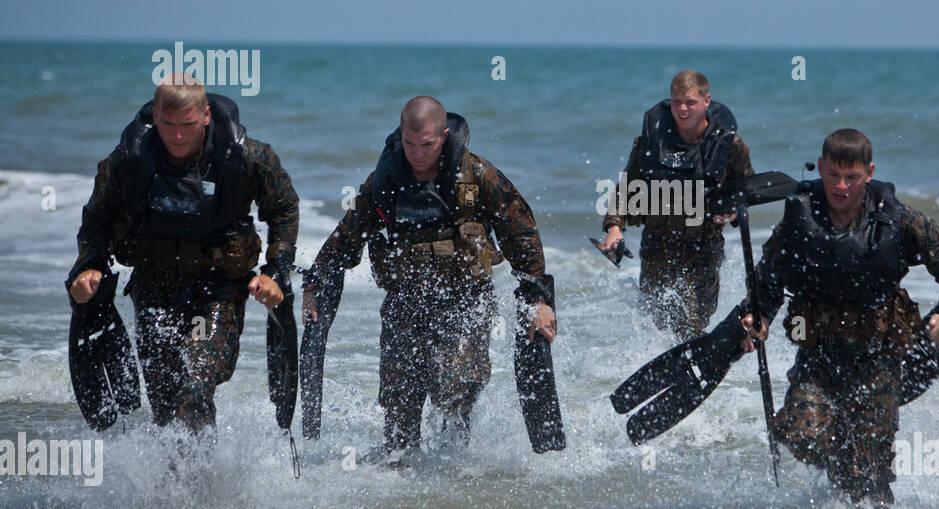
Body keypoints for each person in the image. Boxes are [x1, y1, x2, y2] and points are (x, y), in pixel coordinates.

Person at [302, 96, 556, 457]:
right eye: (409, 143)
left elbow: (521, 232)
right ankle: (399, 476)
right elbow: (348, 234)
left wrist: (538, 300)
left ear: (444, 135)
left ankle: (454, 475)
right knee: (399, 399)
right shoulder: (385, 181)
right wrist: (314, 286)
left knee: (457, 386)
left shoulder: (478, 175)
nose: (417, 154)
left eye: (427, 145)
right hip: (405, 303)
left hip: (466, 301)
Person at [739, 129, 939, 509]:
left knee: (871, 487)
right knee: (798, 432)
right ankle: (844, 469)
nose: (841, 186)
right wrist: (760, 315)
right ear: (821, 167)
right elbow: (771, 274)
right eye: (832, 175)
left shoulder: (895, 218)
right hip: (820, 360)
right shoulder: (801, 216)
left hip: (878, 363)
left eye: (852, 177)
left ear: (869, 172)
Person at [67, 74, 299, 435]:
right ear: (155, 117)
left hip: (215, 293)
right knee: (164, 405)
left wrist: (275, 268)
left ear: (205, 116)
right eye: (169, 124)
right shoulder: (128, 160)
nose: (177, 136)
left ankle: (202, 486)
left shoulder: (246, 157)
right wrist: (89, 266)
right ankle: (173, 487)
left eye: (188, 125)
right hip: (154, 291)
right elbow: (96, 218)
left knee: (194, 383)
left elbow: (283, 208)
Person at [599, 70, 754, 340]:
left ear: (707, 101)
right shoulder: (650, 141)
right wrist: (614, 227)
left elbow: (747, 190)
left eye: (690, 102)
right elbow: (626, 187)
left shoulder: (730, 145)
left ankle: (696, 373)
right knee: (657, 328)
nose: (682, 109)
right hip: (658, 247)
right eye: (676, 102)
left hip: (703, 249)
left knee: (691, 325)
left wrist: (733, 212)